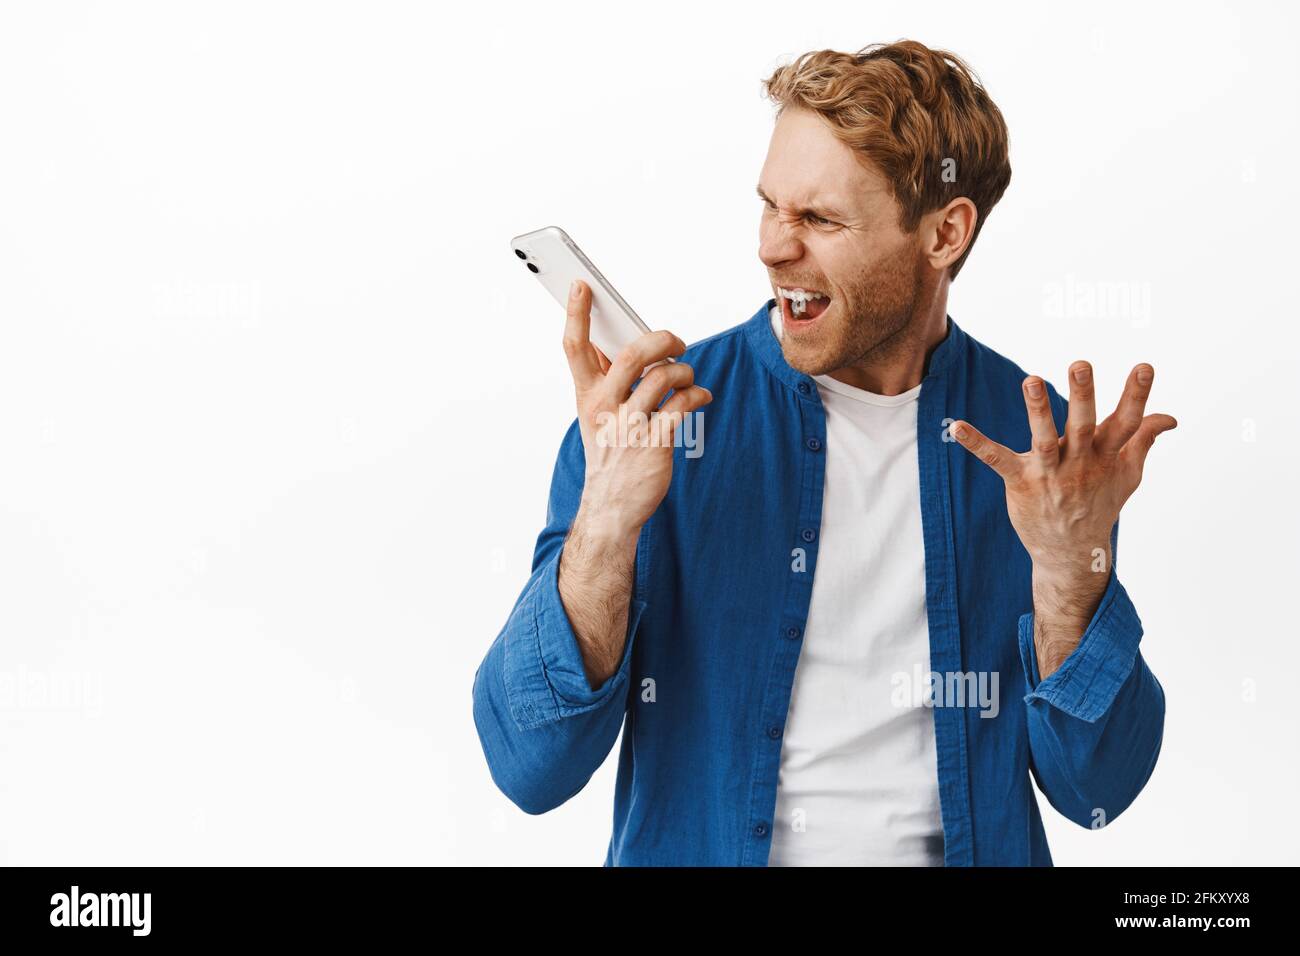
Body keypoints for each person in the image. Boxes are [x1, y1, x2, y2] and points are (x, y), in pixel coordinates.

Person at [472, 39, 1174, 866]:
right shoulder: (650, 426)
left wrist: (1070, 577)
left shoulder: (1041, 452)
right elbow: (529, 767)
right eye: (771, 206)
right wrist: (605, 523)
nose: (773, 247)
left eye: (819, 219)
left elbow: (1097, 792)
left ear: (944, 232)